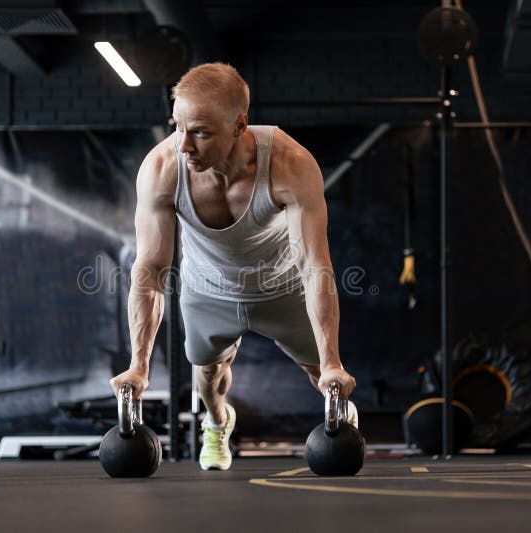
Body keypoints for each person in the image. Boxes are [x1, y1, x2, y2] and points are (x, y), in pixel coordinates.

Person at [110, 62, 357, 470]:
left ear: (240, 125)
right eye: (178, 127)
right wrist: (138, 366)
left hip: (283, 286)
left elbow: (315, 266)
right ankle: (218, 421)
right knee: (208, 376)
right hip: (208, 289)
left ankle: (341, 411)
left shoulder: (289, 164)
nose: (185, 145)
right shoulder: (162, 170)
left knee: (322, 373)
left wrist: (332, 361)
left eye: (201, 132)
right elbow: (150, 272)